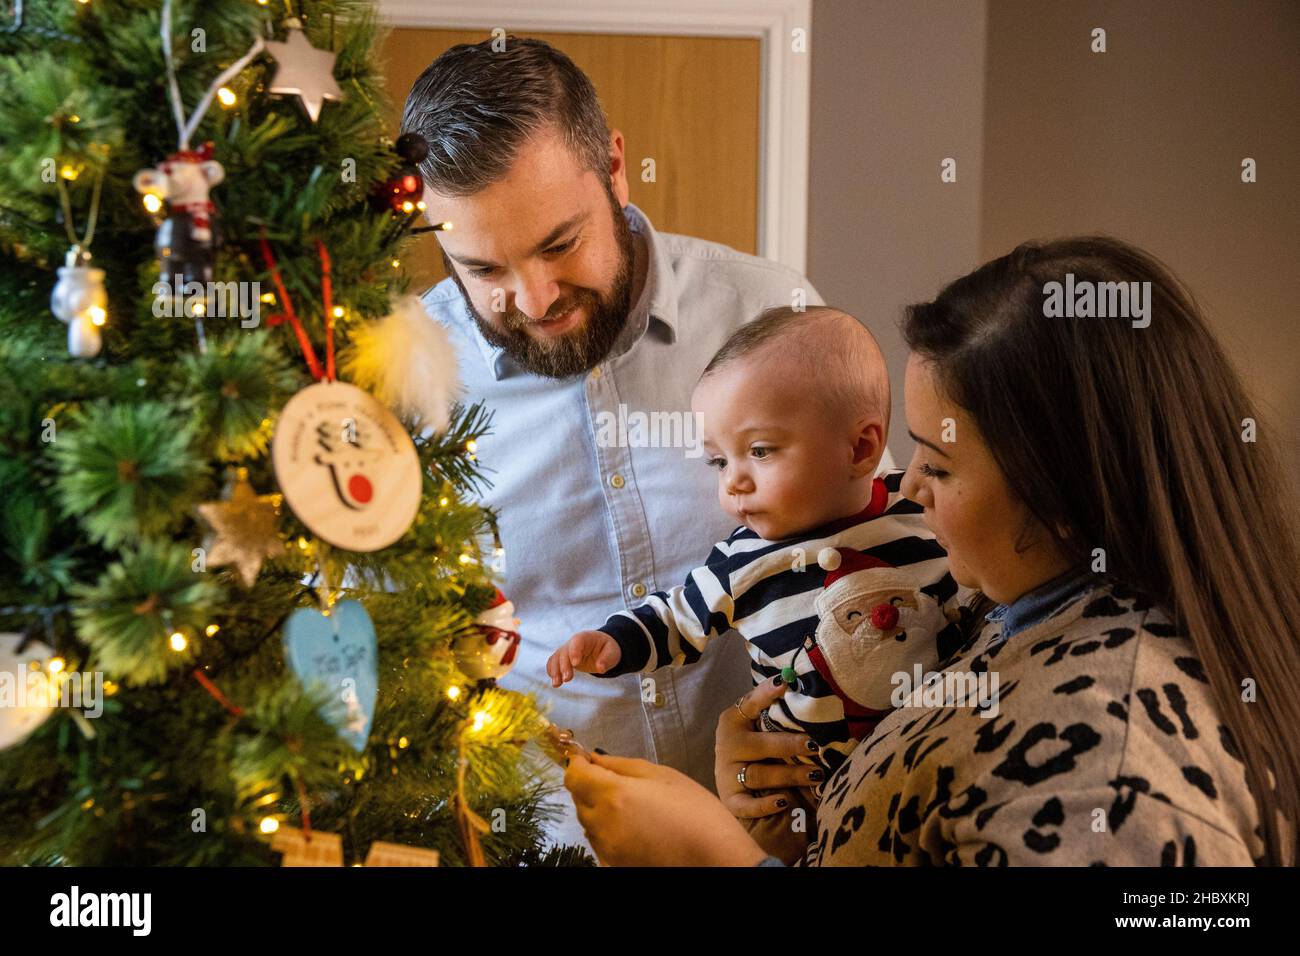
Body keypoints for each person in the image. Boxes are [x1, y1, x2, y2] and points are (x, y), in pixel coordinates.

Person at [564, 236, 1300, 866]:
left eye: (939, 466)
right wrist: (778, 832)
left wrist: (715, 858)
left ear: (1059, 494)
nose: (908, 486)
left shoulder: (1111, 758)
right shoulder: (1007, 611)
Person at [402, 37, 892, 849]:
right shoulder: (412, 376)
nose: (534, 298)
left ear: (616, 167)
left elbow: (877, 544)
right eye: (484, 269)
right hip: (539, 842)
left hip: (782, 839)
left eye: (561, 244)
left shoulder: (771, 314)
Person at [547, 306, 966, 789]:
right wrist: (615, 643)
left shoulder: (918, 507)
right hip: (808, 789)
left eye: (760, 451)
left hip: (937, 753)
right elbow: (676, 620)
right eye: (718, 461)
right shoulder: (738, 562)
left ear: (860, 449)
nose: (734, 482)